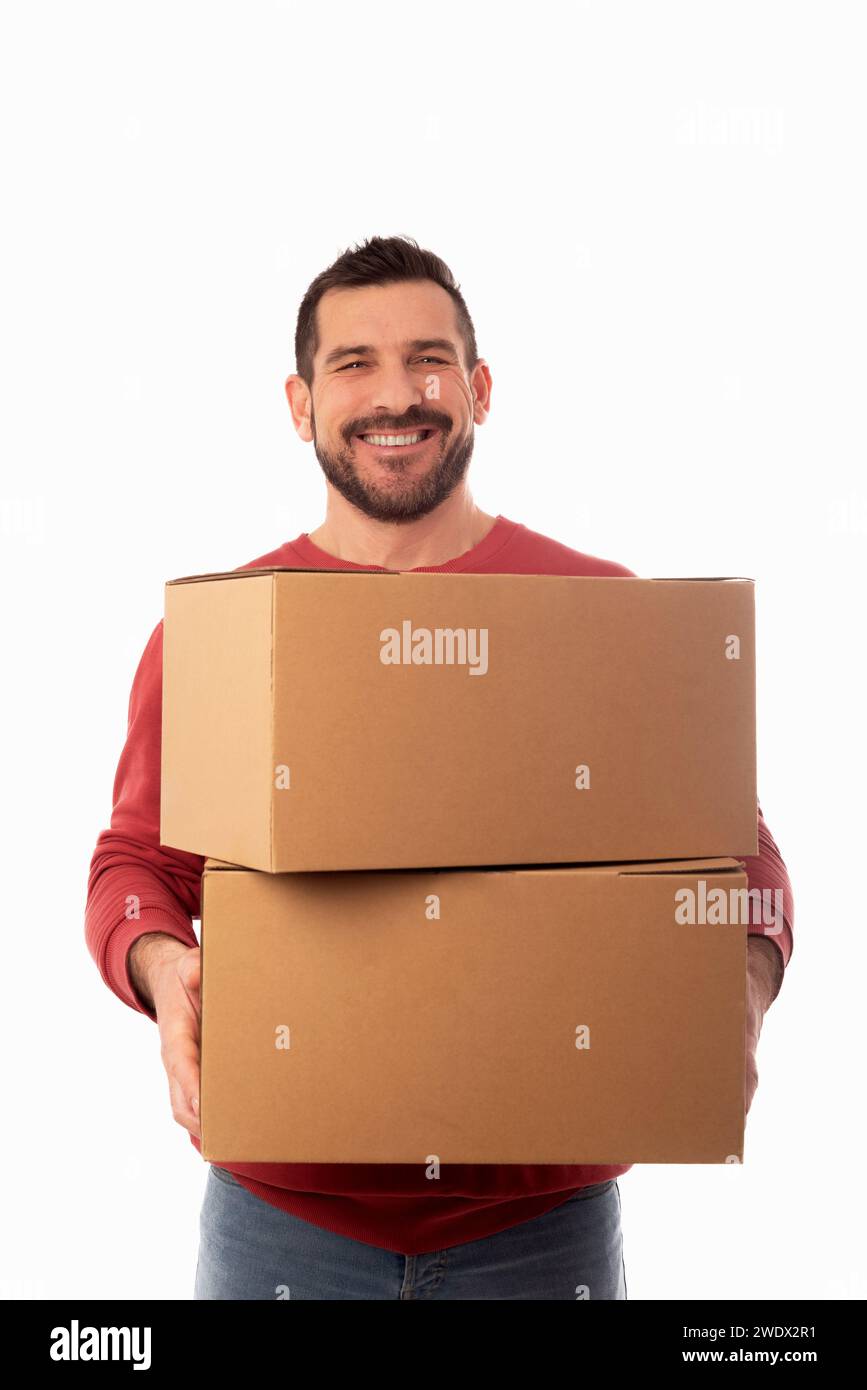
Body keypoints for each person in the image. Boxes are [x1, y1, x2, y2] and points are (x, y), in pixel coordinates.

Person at [85, 235, 794, 1301]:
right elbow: (134, 860)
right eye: (352, 364)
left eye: (428, 357)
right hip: (282, 1225)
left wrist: (739, 983)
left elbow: (737, 851)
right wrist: (159, 964)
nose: (395, 394)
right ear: (298, 401)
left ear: (479, 386)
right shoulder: (222, 633)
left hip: (541, 1229)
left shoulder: (600, 612)